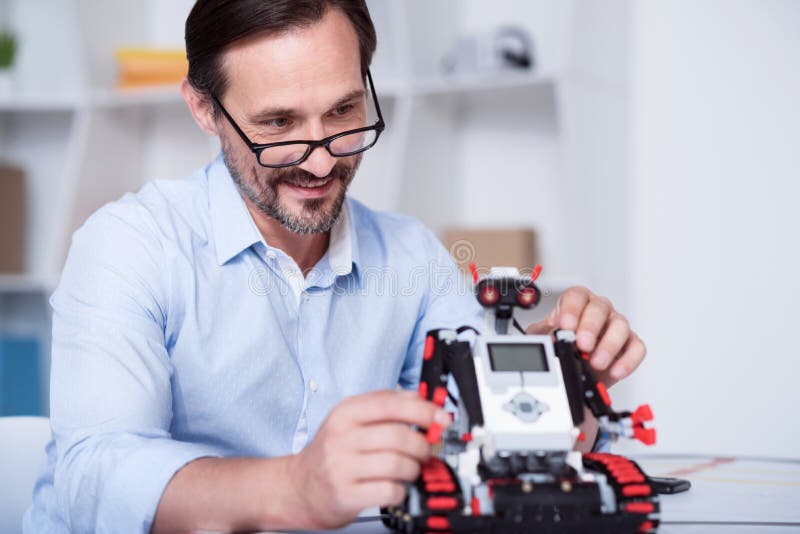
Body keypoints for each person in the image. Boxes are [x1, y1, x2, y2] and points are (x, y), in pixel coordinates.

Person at [24, 1, 647, 532]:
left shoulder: (413, 256)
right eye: (278, 124)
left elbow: (481, 440)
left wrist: (566, 388)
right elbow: (95, 473)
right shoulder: (129, 245)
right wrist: (295, 489)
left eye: (345, 112)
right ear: (204, 108)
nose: (322, 163)